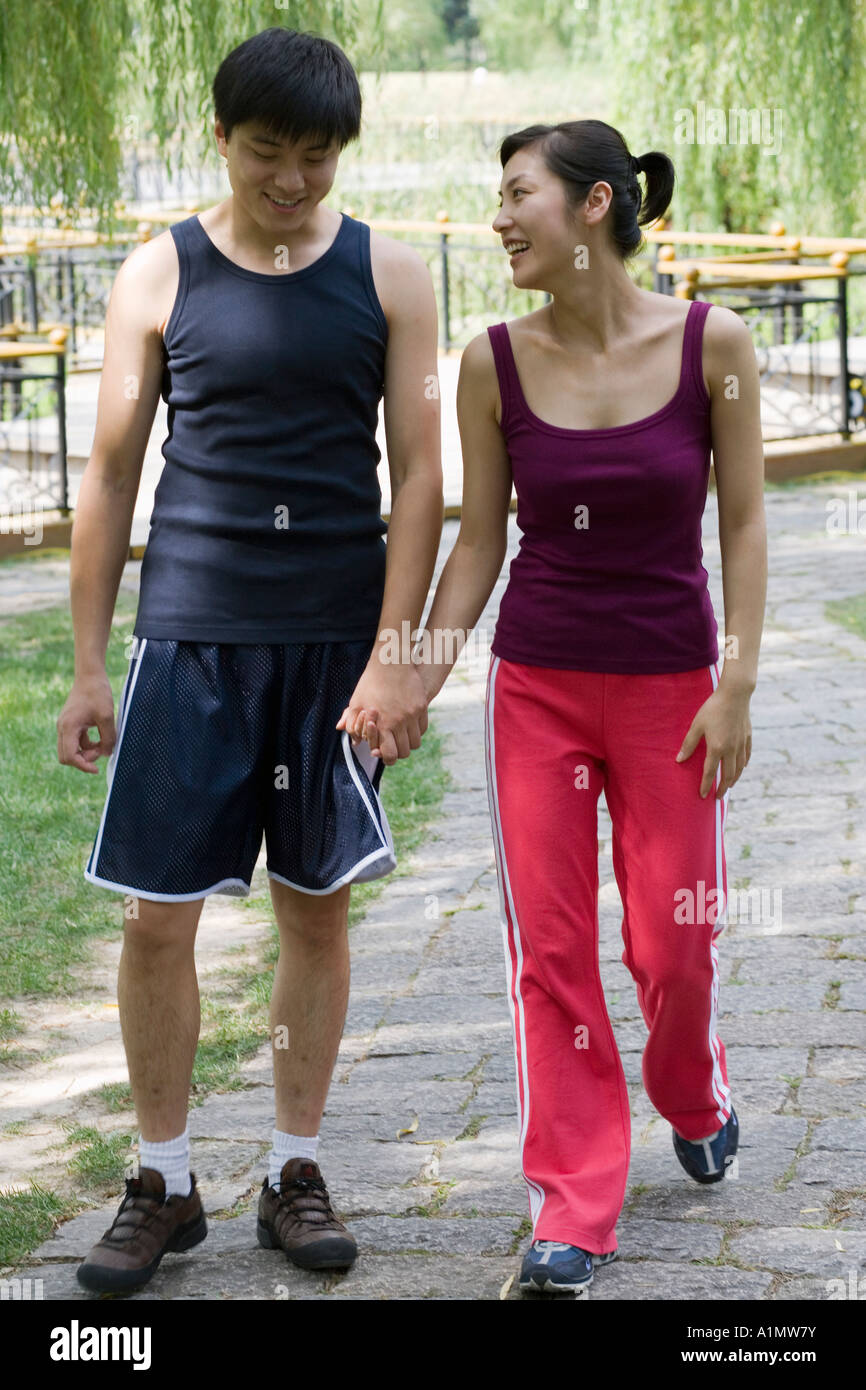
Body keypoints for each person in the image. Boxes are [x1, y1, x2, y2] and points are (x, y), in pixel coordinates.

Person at [342, 118, 767, 1295]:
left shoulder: (709, 342)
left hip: (675, 689)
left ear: (591, 206)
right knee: (553, 949)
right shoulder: (491, 360)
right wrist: (412, 673)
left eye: (516, 193)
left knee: (672, 948)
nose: (496, 219)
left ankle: (691, 1087)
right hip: (536, 686)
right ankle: (574, 1199)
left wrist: (735, 683)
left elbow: (740, 523)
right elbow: (478, 544)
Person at [56, 26, 441, 1294]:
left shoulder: (390, 271)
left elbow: (425, 475)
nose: (290, 178)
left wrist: (398, 657)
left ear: (343, 151)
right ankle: (161, 1180)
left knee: (313, 911)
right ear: (221, 137)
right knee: (157, 919)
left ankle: (293, 1167)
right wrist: (89, 661)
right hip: (191, 642)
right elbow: (110, 475)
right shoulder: (155, 275)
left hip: (330, 649)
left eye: (316, 156)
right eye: (267, 151)